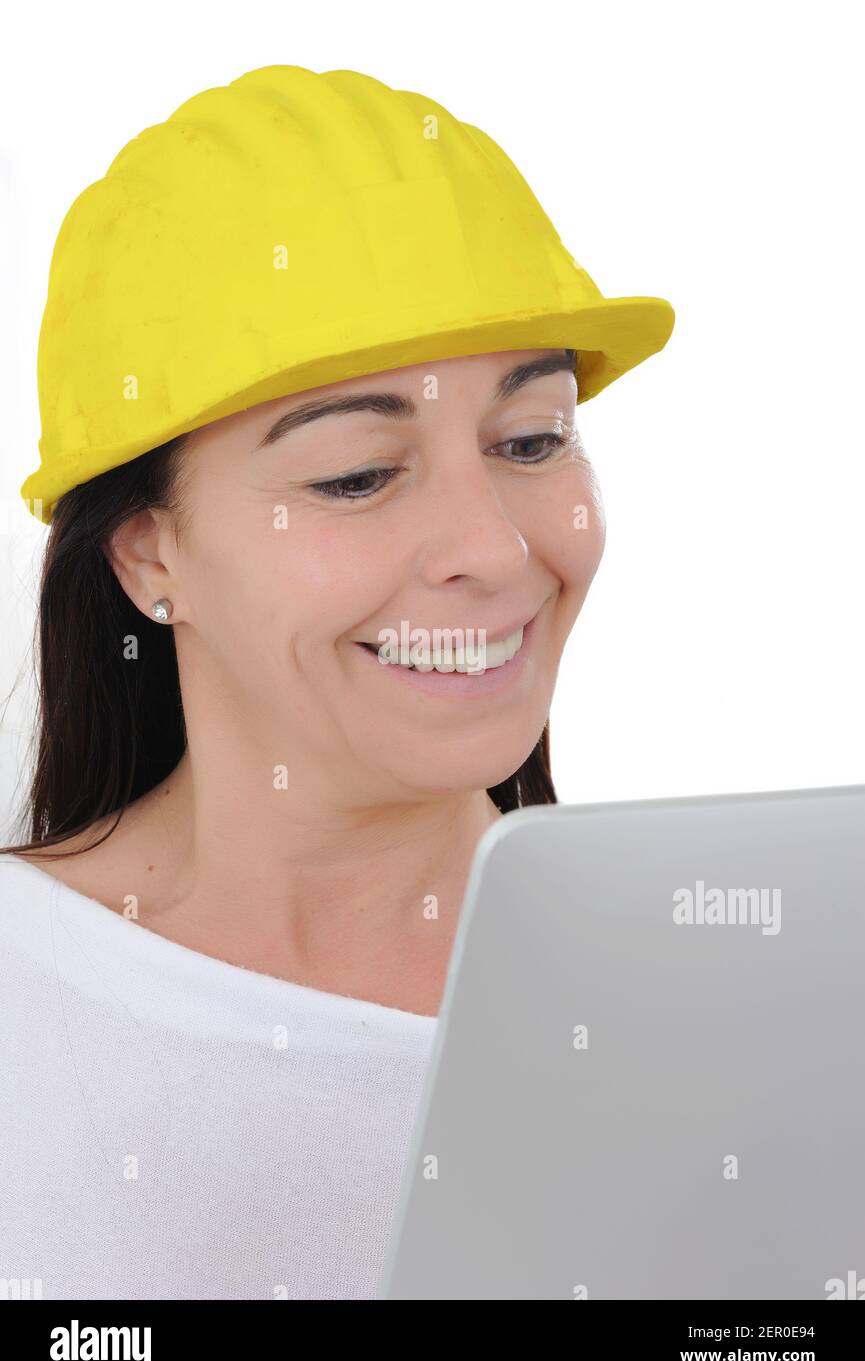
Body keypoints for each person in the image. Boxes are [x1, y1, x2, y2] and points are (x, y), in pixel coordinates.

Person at [0, 65, 674, 1299]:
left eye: (530, 441)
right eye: (359, 474)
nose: (494, 549)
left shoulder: (737, 994)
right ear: (150, 553)